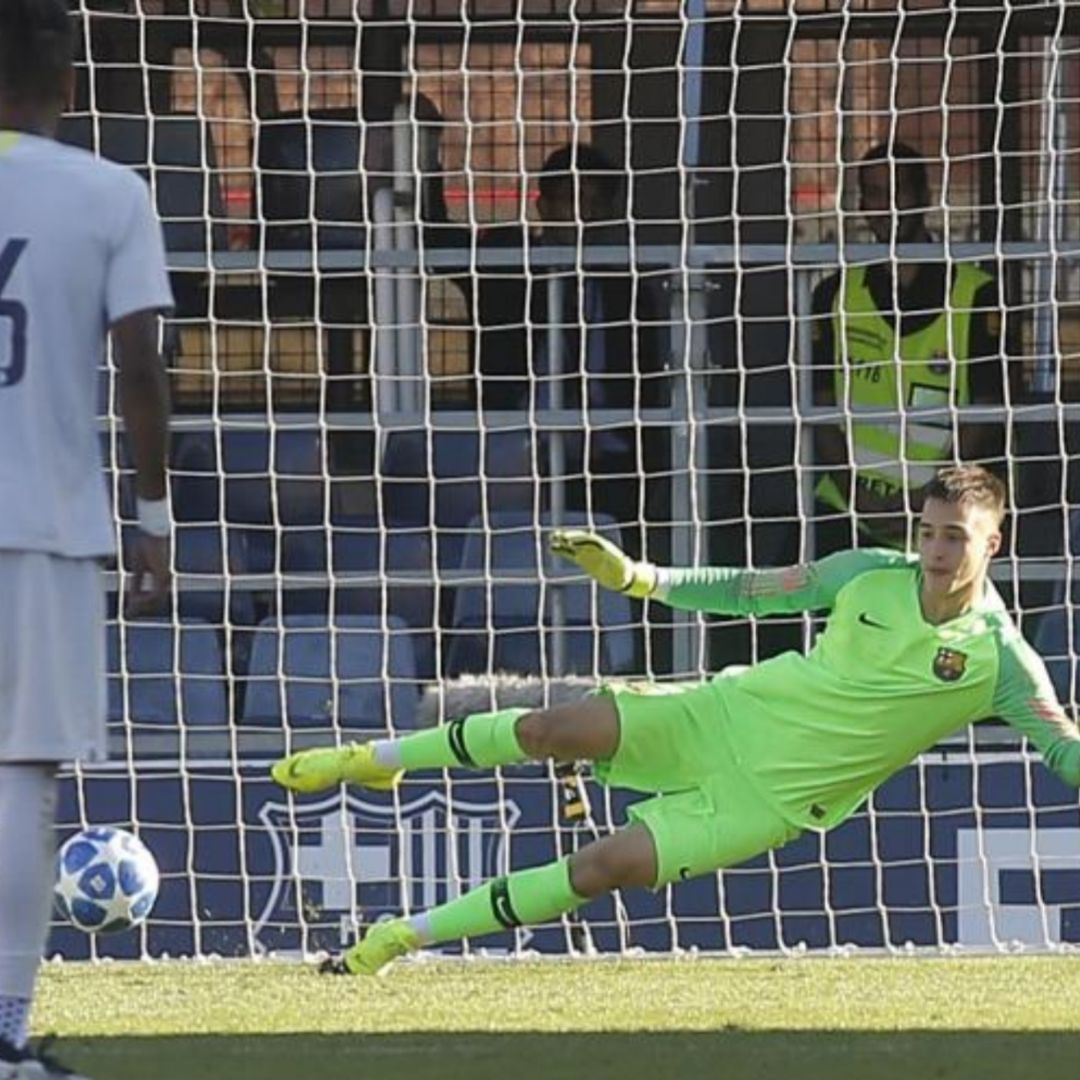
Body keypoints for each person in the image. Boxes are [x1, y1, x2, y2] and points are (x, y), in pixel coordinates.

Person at [272, 464, 1080, 976]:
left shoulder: (1001, 660)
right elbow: (750, 589)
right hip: (725, 711)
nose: (936, 551)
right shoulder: (865, 573)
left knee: (602, 868)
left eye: (956, 538)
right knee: (548, 730)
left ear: (994, 543)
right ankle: (373, 756)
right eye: (928, 532)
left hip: (766, 801)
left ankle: (401, 938)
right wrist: (638, 578)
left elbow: (1063, 749)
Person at [0, 2, 173, 1075]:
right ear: (65, 68)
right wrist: (151, 519)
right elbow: (144, 367)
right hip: (41, 524)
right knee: (20, 775)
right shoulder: (108, 192)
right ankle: (4, 1038)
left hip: (41, 524)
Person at [812, 141, 1006, 553]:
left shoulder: (976, 293)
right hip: (847, 509)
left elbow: (990, 409)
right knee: (782, 606)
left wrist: (927, 500)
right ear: (862, 203)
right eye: (875, 193)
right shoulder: (834, 294)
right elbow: (819, 405)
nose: (888, 205)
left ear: (925, 196)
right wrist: (856, 495)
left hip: (948, 514)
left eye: (898, 190)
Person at [475, 143, 667, 554]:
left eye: (597, 203)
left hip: (609, 455)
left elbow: (648, 387)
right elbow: (437, 243)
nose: (585, 215)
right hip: (522, 446)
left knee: (614, 565)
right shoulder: (507, 273)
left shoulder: (628, 292)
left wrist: (653, 466)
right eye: (573, 200)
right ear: (543, 206)